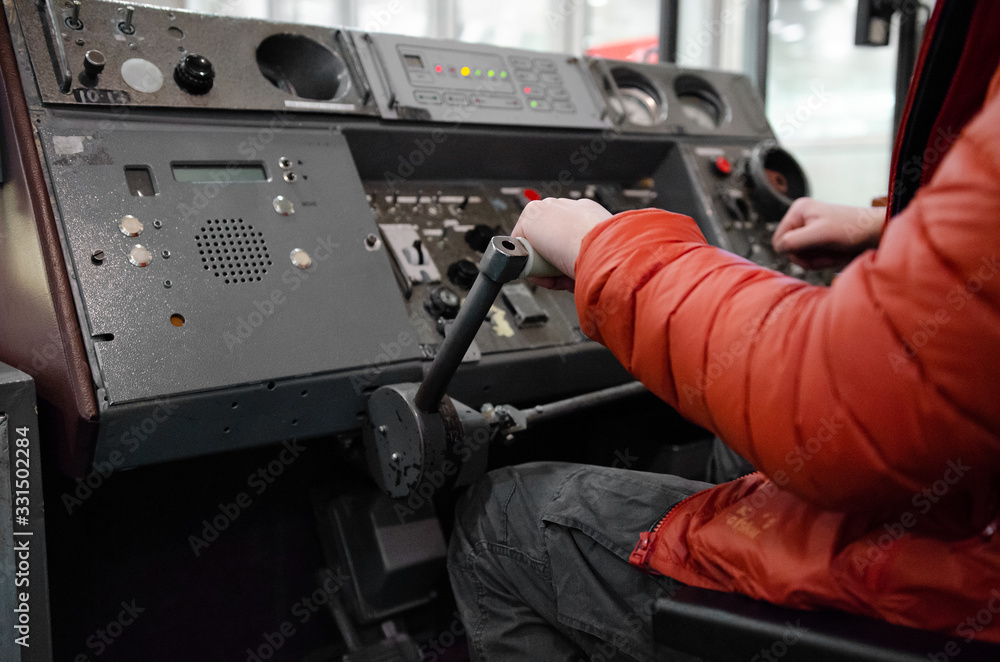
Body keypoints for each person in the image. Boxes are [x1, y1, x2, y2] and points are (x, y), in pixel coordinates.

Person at [447, 1, 1000, 659]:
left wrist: (606, 248)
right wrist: (896, 230)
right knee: (737, 448)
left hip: (952, 585)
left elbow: (842, 407)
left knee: (500, 517)